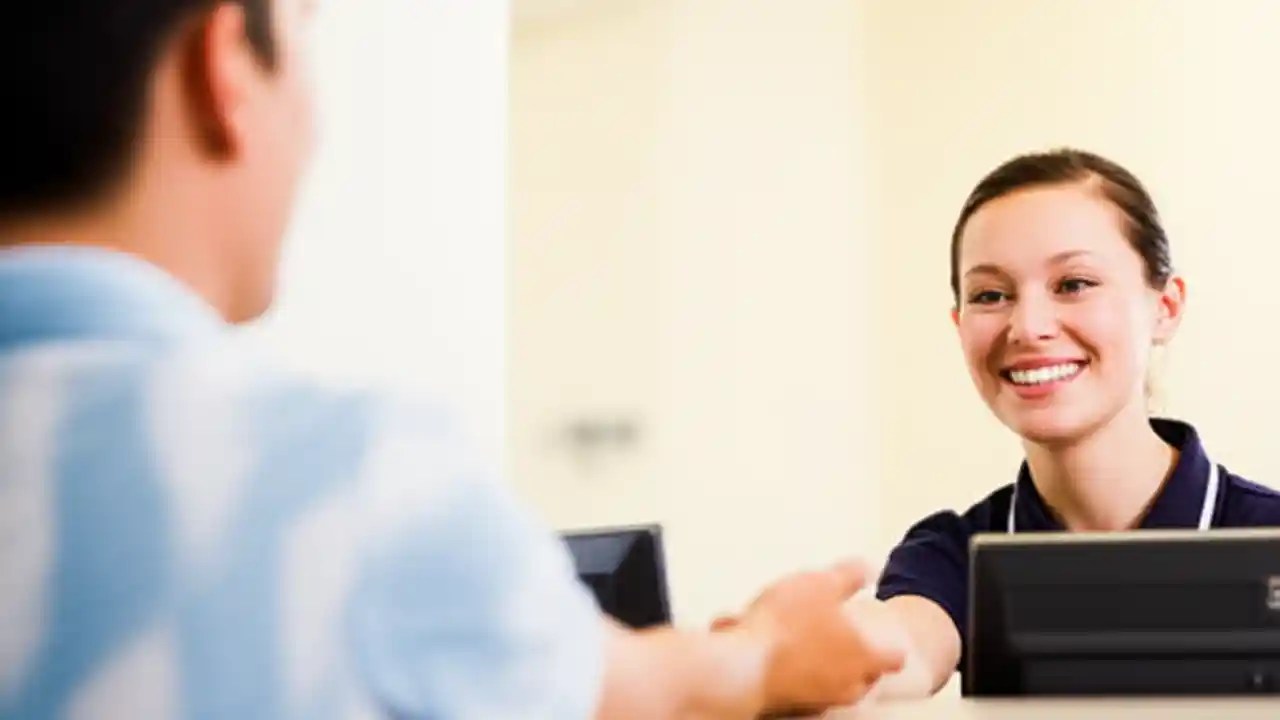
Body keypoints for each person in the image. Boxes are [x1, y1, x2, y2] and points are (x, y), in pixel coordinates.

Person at [0, 1, 903, 718]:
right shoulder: (338, 477)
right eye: (306, 42)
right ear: (226, 64)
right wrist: (768, 653)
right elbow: (641, 692)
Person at [864, 148, 1280, 695]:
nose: (1028, 326)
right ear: (959, 323)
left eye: (1074, 284)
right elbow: (898, 651)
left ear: (1166, 307)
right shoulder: (953, 554)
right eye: (990, 295)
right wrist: (790, 664)